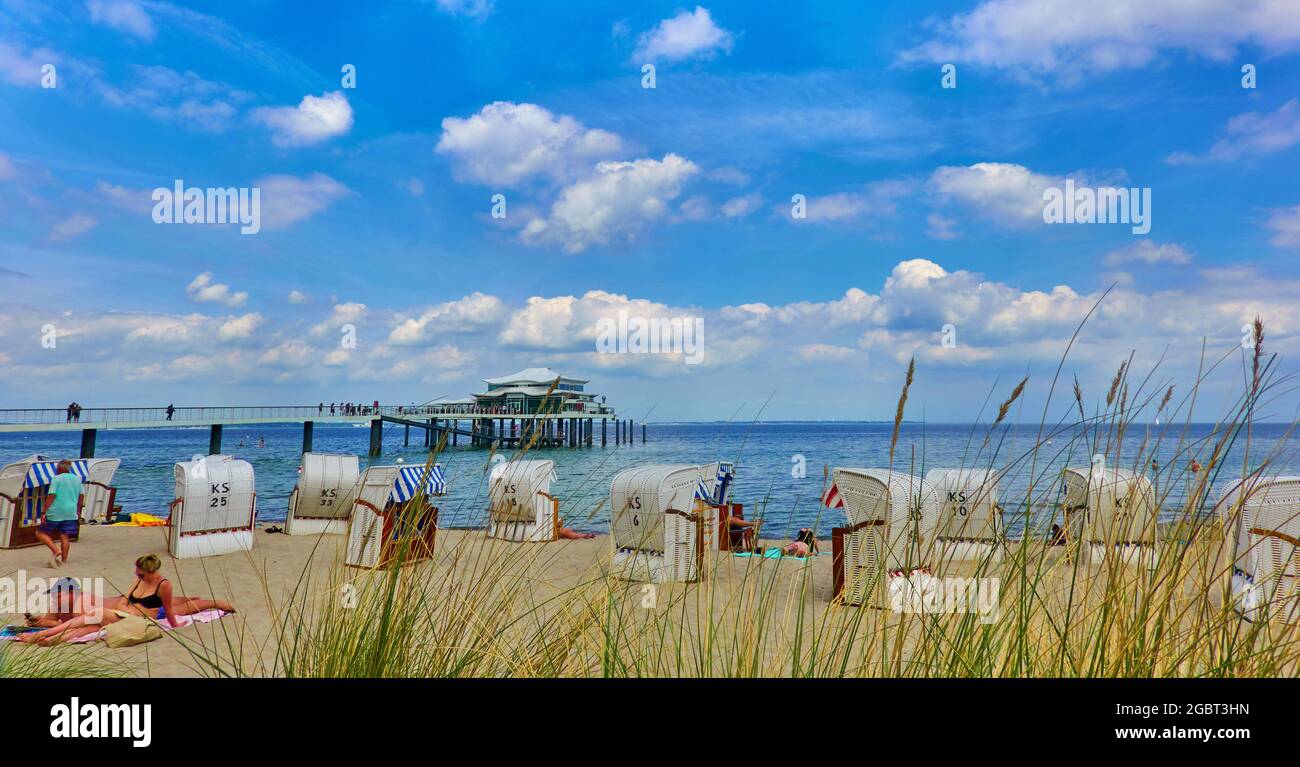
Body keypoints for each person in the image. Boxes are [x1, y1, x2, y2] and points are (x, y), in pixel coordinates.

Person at [120, 554, 235, 629]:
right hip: (150, 604)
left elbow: (168, 609)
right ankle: (189, 598)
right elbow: (123, 600)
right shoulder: (139, 580)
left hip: (159, 611)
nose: (136, 573)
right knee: (170, 600)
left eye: (140, 572)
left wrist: (174, 625)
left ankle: (217, 603)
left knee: (184, 608)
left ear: (151, 572)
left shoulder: (164, 584)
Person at [36, 460, 83, 568]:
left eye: (57, 468)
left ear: (59, 469)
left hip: (56, 510)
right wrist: (78, 509)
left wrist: (43, 511)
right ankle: (64, 561)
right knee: (65, 536)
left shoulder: (56, 479)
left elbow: (51, 495)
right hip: (71, 510)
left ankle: (56, 550)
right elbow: (81, 496)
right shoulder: (77, 479)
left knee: (40, 533)